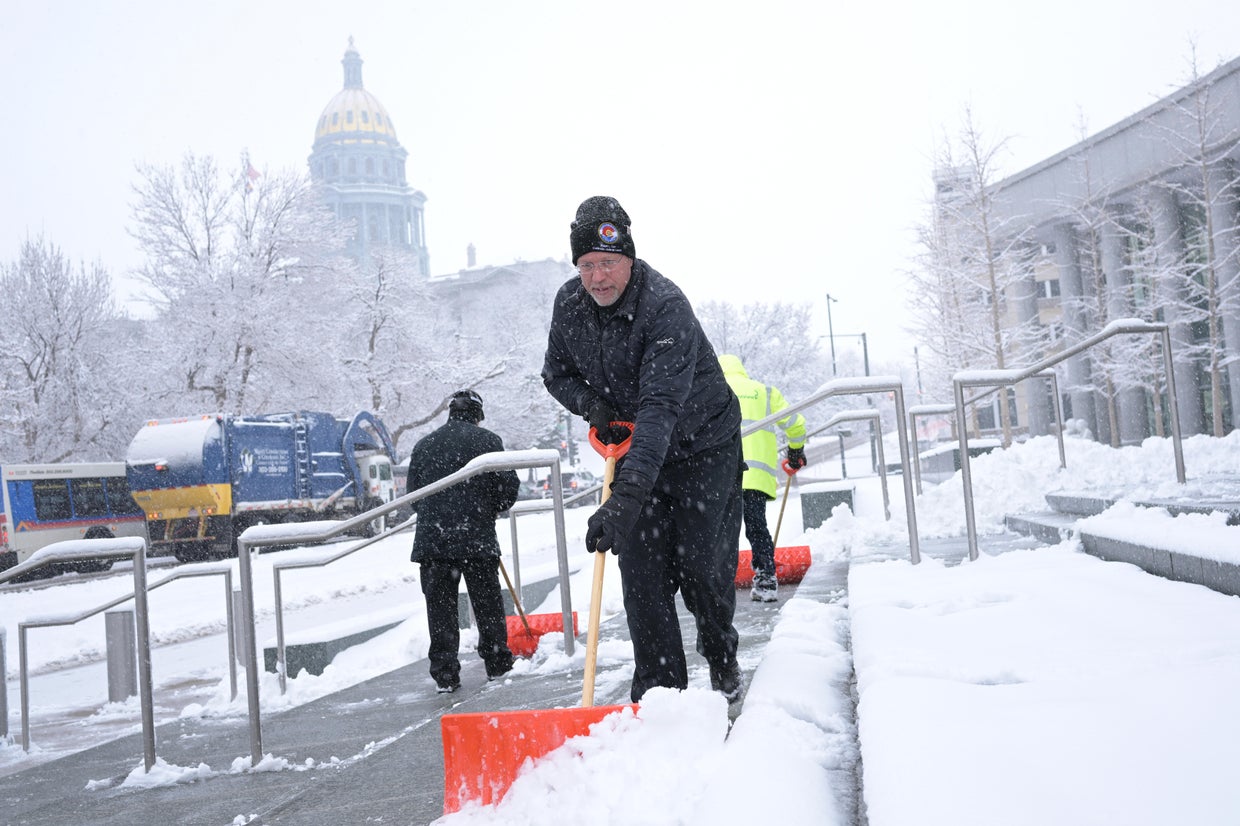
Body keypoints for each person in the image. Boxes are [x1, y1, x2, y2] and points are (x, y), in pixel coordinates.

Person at [542, 195, 746, 704]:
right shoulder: (569, 306)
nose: (597, 278)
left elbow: (658, 410)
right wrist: (594, 406)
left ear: (629, 258)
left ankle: (721, 657)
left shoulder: (664, 307)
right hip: (638, 447)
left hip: (703, 447)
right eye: (586, 265)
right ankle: (660, 699)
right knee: (642, 578)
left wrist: (622, 502)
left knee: (704, 573)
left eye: (607, 263)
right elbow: (555, 374)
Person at [406, 389, 519, 693]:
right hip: (476, 539)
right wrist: (485, 508)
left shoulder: (424, 445)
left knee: (440, 610)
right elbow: (508, 491)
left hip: (434, 541)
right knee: (487, 604)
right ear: (478, 415)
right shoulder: (488, 442)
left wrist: (439, 517)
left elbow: (414, 497)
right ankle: (497, 663)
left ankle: (445, 673)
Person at [717, 354, 808, 602]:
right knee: (757, 527)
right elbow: (796, 424)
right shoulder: (764, 392)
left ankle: (719, 584)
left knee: (721, 531)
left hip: (720, 476)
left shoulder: (713, 389)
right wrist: (796, 450)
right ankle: (766, 578)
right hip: (756, 477)